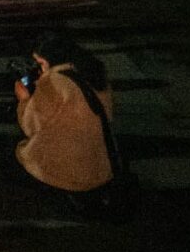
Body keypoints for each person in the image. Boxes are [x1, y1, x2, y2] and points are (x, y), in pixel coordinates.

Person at [13, 33, 114, 201]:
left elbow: (30, 126)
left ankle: (60, 194)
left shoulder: (53, 81)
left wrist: (24, 100)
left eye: (41, 63)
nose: (39, 69)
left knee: (8, 160)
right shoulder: (93, 72)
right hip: (102, 170)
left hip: (68, 176)